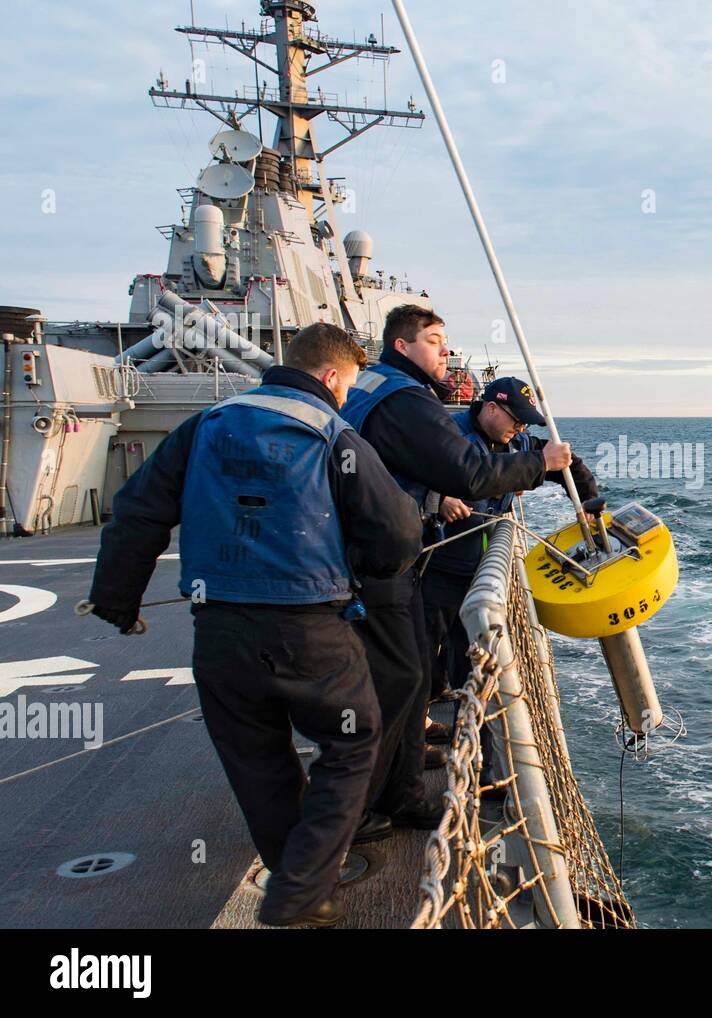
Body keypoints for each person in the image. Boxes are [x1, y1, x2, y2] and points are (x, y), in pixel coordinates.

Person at [86, 322, 422, 928]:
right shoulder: (333, 433)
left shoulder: (205, 425)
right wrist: (370, 571)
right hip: (310, 631)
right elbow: (398, 531)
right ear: (330, 378)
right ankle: (302, 884)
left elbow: (137, 512)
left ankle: (295, 878)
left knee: (256, 758)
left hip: (219, 631)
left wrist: (117, 600)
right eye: (346, 386)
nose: (346, 397)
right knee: (351, 743)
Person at [338, 305, 572, 828]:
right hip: (387, 562)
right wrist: (540, 465)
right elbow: (465, 470)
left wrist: (574, 482)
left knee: (406, 676)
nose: (447, 350)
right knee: (400, 681)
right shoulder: (407, 402)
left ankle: (396, 790)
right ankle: (361, 810)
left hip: (368, 555)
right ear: (402, 346)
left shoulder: (374, 390)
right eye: (435, 340)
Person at [424, 377, 598, 779]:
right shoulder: (445, 434)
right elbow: (400, 470)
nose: (520, 429)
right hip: (432, 566)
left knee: (468, 664)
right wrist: (439, 499)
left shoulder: (519, 444)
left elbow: (566, 464)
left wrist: (585, 503)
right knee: (416, 656)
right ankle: (413, 740)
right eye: (516, 420)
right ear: (489, 407)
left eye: (526, 424)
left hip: (479, 568)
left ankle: (478, 763)